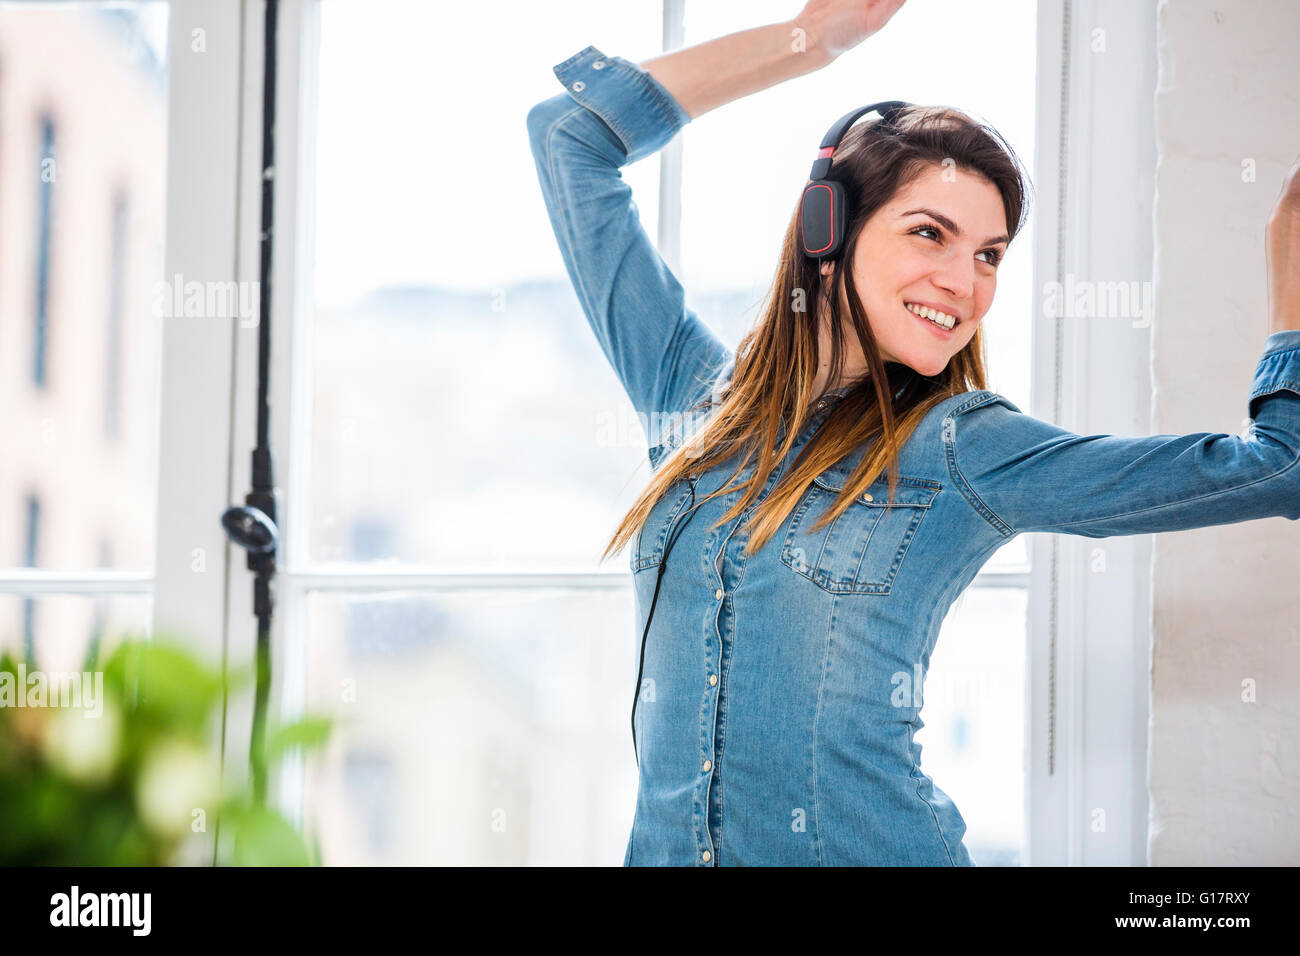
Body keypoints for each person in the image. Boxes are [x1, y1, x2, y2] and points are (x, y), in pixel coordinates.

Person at [525, 0, 1300, 866]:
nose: (963, 281)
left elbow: (1283, 469)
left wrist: (1291, 303)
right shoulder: (690, 399)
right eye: (930, 233)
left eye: (990, 254)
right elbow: (570, 138)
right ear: (830, 230)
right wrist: (808, 42)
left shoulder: (966, 449)